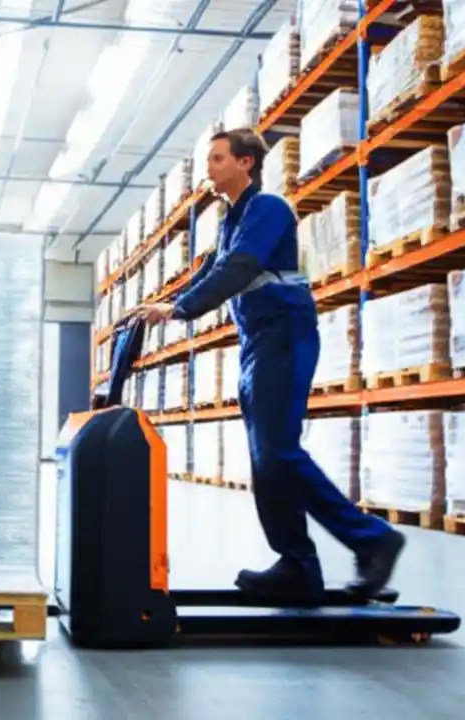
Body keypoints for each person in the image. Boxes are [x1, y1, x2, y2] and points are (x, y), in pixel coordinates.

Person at [134, 128, 405, 606]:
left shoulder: (269, 209)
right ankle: (297, 565)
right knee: (266, 460)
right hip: (257, 339)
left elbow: (238, 269)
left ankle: (371, 538)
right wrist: (169, 302)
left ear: (245, 164)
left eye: (217, 158)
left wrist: (179, 311)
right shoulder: (231, 220)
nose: (209, 168)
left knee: (278, 452)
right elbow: (213, 270)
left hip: (285, 332)